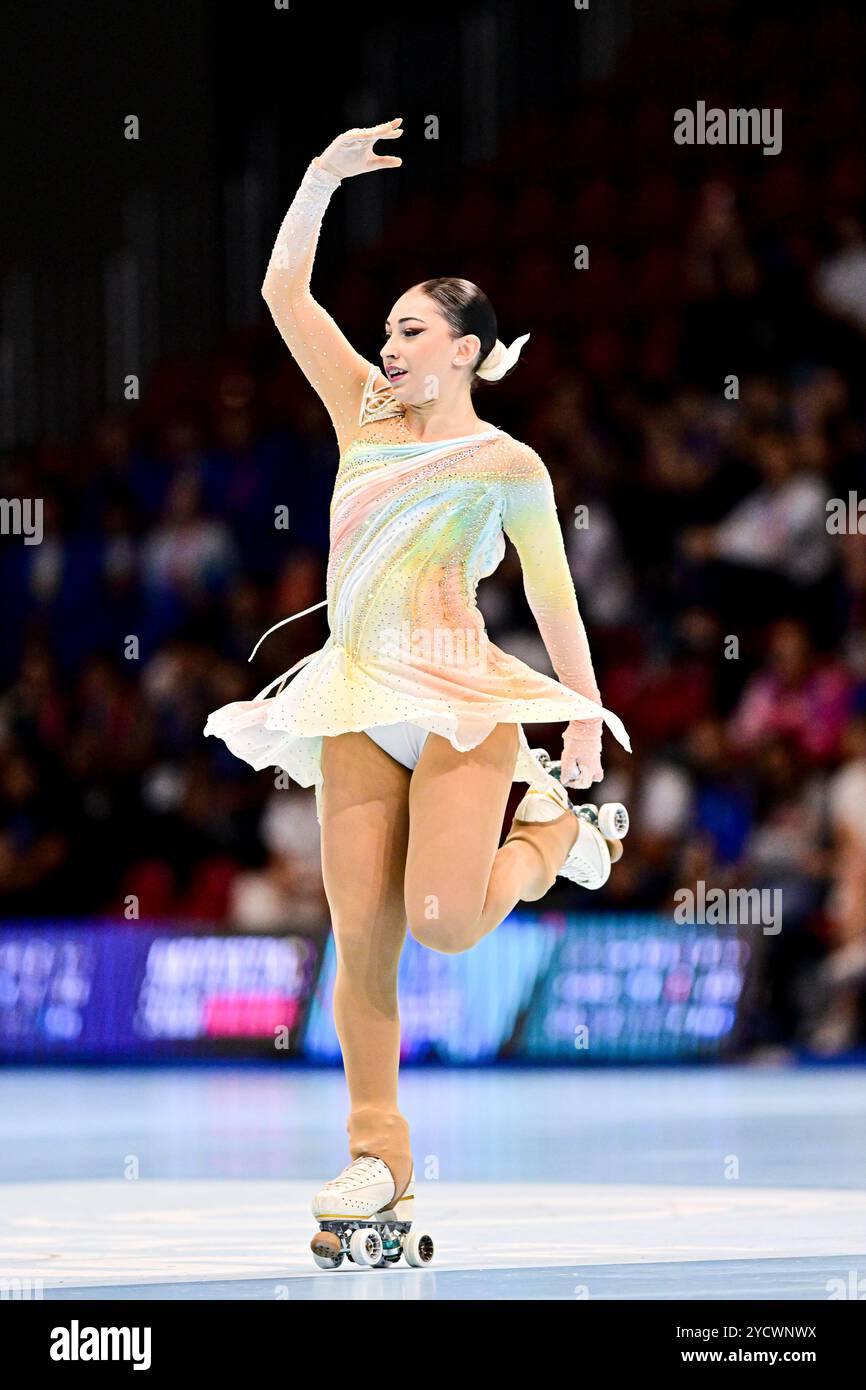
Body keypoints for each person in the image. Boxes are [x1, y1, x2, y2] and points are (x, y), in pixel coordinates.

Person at [204, 119, 631, 1231]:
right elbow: (285, 292)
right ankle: (378, 1157)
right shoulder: (363, 413)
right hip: (356, 697)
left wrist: (579, 715)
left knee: (442, 921)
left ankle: (554, 836)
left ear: (465, 349)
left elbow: (551, 600)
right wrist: (315, 177)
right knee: (364, 940)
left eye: (409, 330)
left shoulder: (507, 465)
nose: (387, 345)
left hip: (453, 707)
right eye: (385, 329)